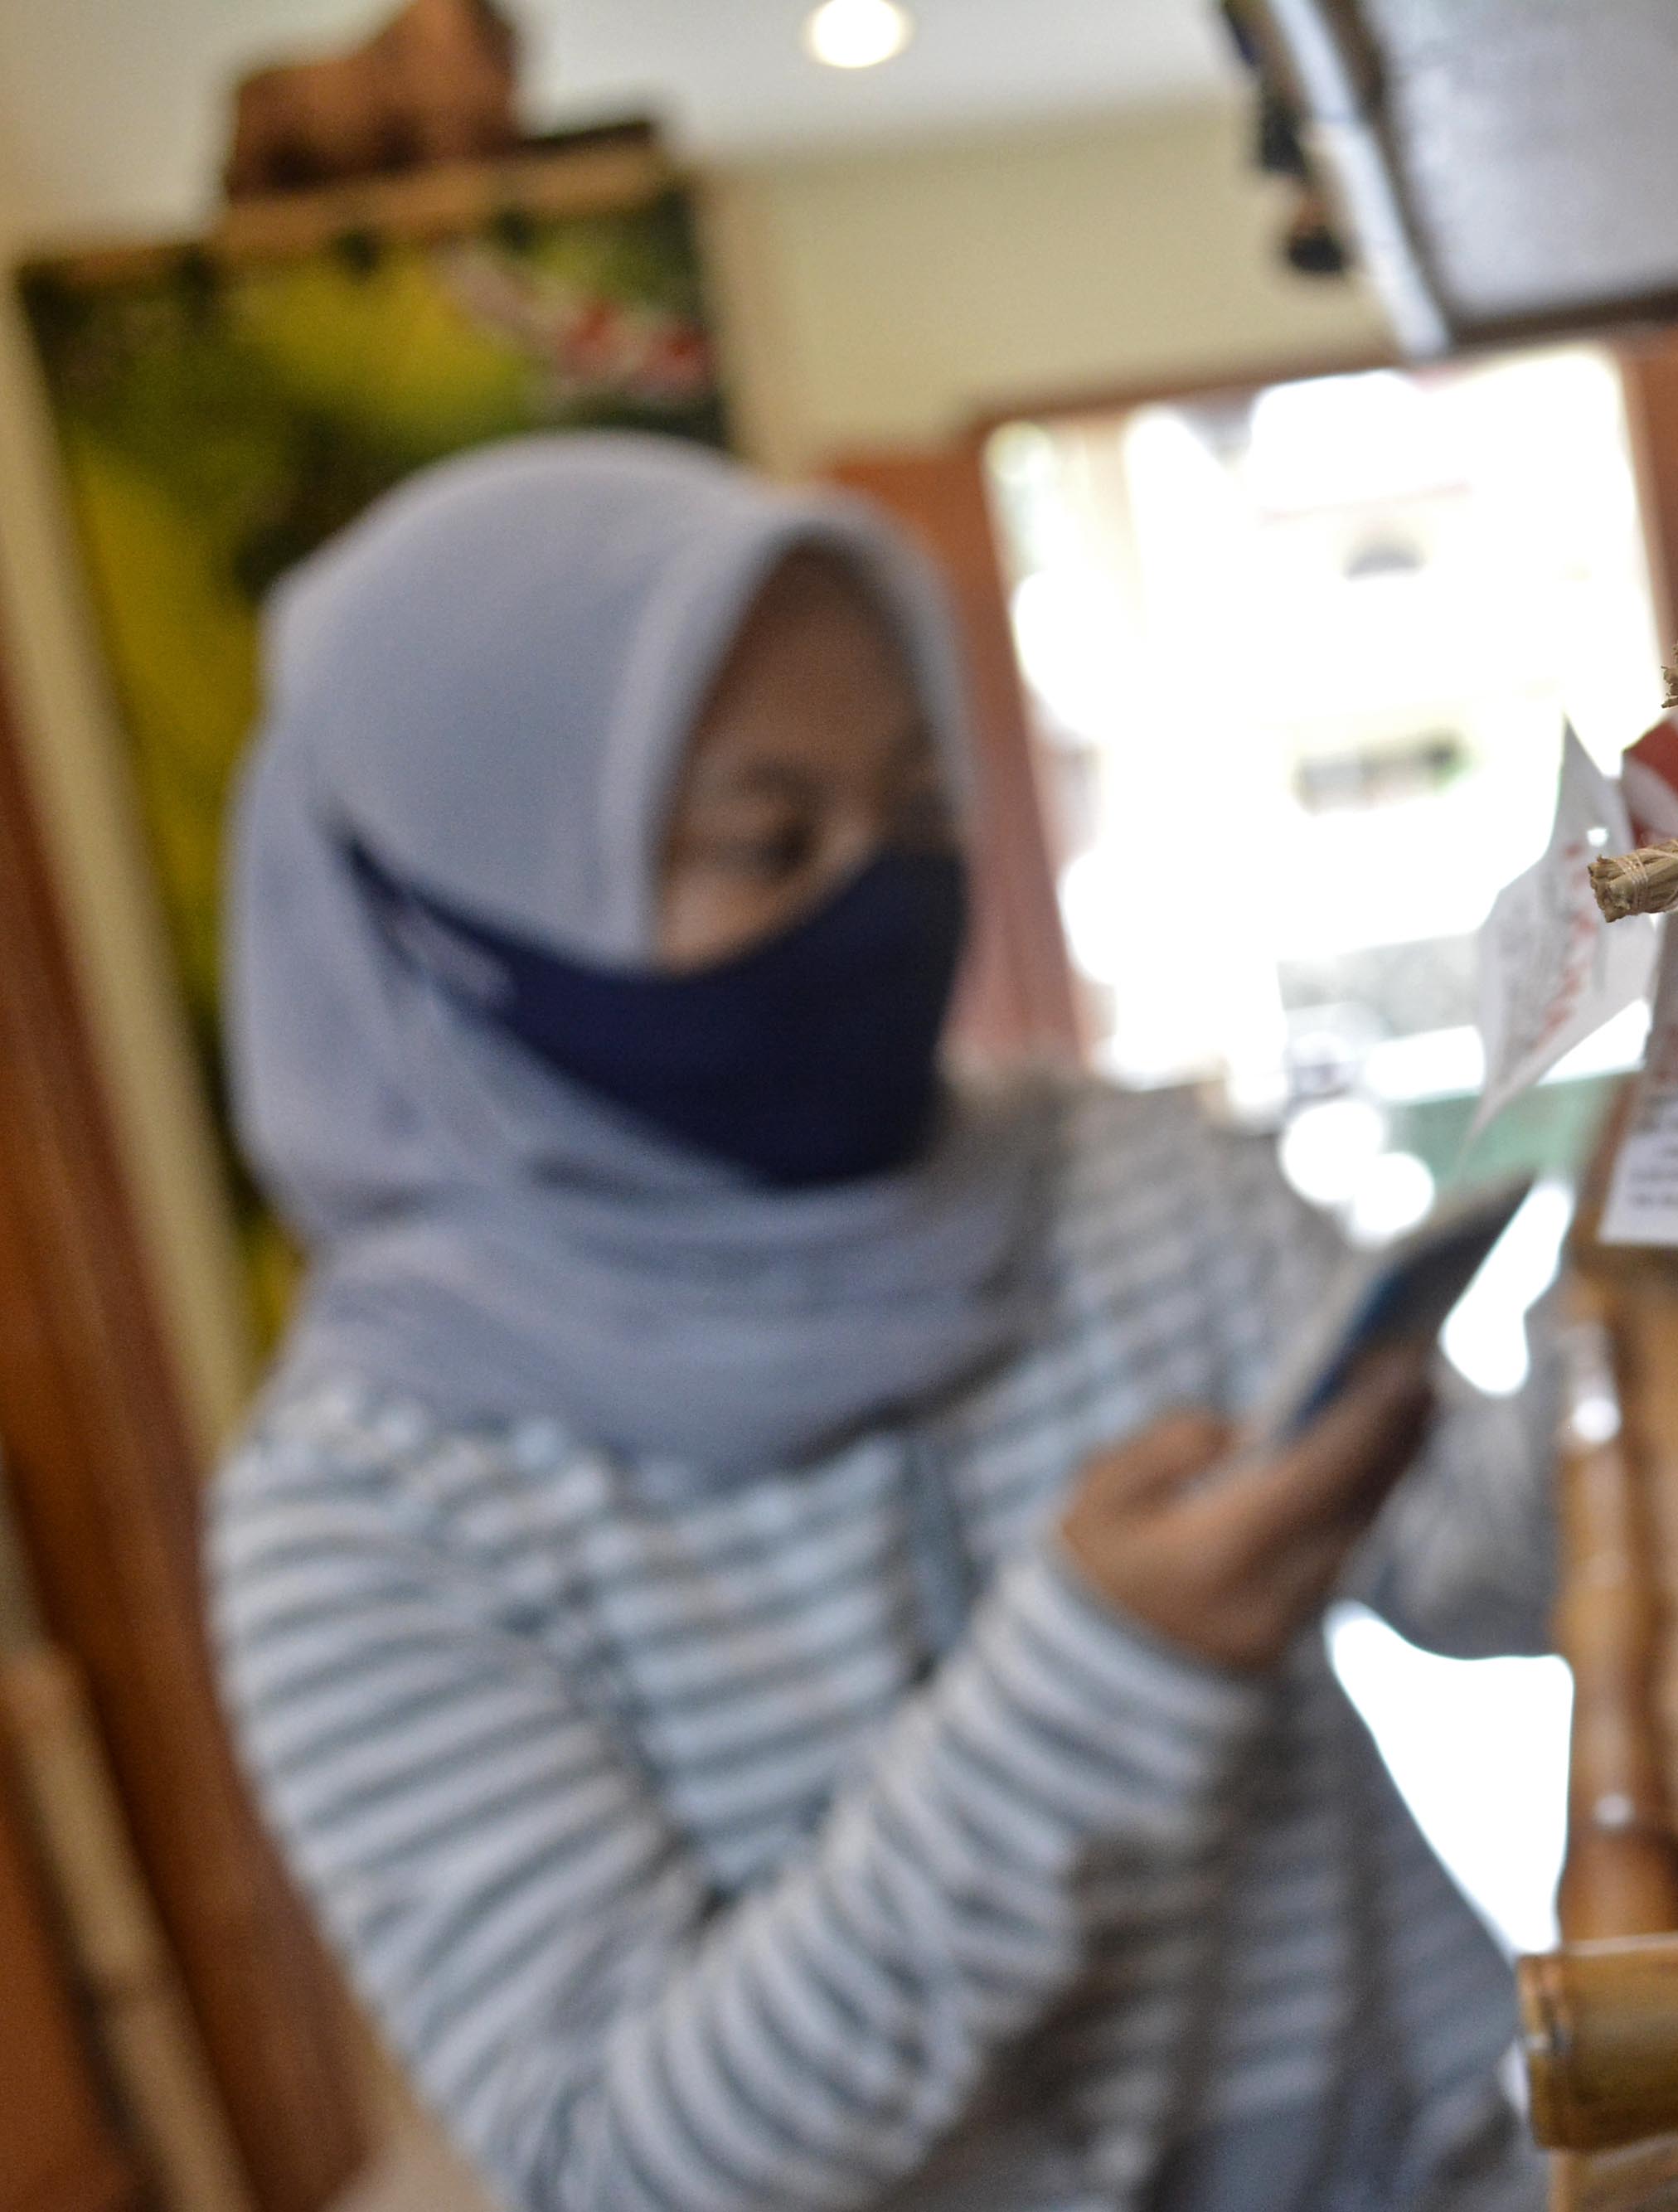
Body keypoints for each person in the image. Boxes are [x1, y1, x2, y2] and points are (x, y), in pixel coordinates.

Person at [206, 433, 1557, 2212]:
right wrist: (1106, 1674)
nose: (879, 899)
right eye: (770, 842)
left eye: (917, 815)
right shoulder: (364, 1517)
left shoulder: (1128, 1185)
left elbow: (1488, 1570)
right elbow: (627, 2162)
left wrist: (1660, 1267)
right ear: (461, 933)